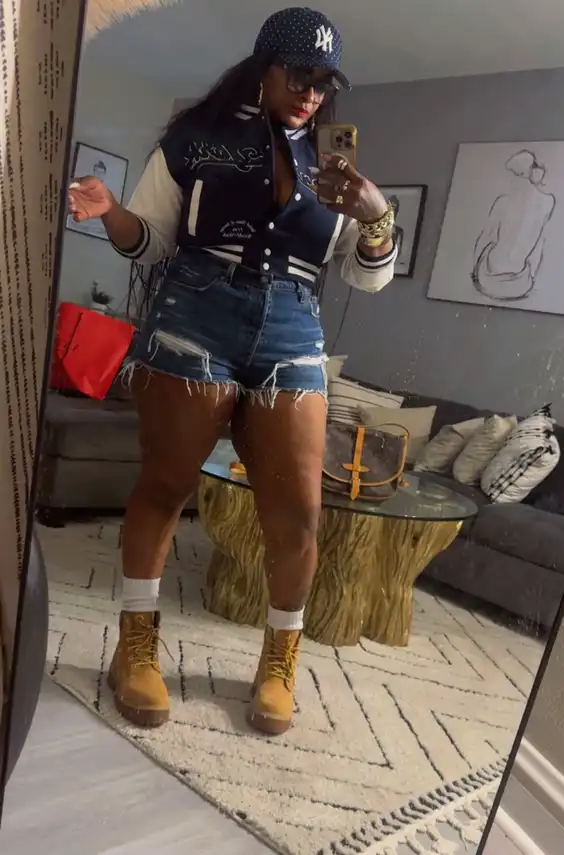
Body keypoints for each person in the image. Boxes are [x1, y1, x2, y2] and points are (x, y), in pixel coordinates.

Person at [67, 7, 397, 736]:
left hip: (292, 326)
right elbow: (149, 241)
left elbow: (367, 277)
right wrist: (112, 211)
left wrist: (376, 215)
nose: (311, 93)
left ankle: (280, 662)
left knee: (299, 513)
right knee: (166, 485)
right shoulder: (197, 137)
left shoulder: (334, 167)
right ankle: (135, 647)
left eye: (324, 82)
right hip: (196, 312)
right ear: (263, 67)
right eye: (298, 76)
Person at [471, 149, 555, 301]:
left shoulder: (503, 202)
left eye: (511, 175)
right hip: (520, 284)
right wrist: (532, 275)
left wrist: (474, 270)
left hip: (489, 280)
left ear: (517, 175)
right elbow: (539, 243)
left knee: (488, 249)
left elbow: (486, 238)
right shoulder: (548, 202)